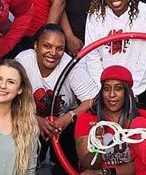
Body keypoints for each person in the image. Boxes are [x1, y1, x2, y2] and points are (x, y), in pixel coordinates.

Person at [14, 24, 97, 166]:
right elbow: (10, 97)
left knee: (65, 167)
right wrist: (34, 118)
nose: (53, 53)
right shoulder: (24, 60)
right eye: (47, 46)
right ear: (36, 46)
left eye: (59, 48)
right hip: (29, 119)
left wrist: (68, 117)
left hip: (63, 124)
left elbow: (93, 99)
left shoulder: (70, 65)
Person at [83, 0, 146, 97]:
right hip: (101, 89)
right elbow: (92, 55)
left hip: (133, 89)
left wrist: (132, 91)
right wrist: (104, 89)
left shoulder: (144, 12)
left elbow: (145, 55)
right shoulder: (95, 15)